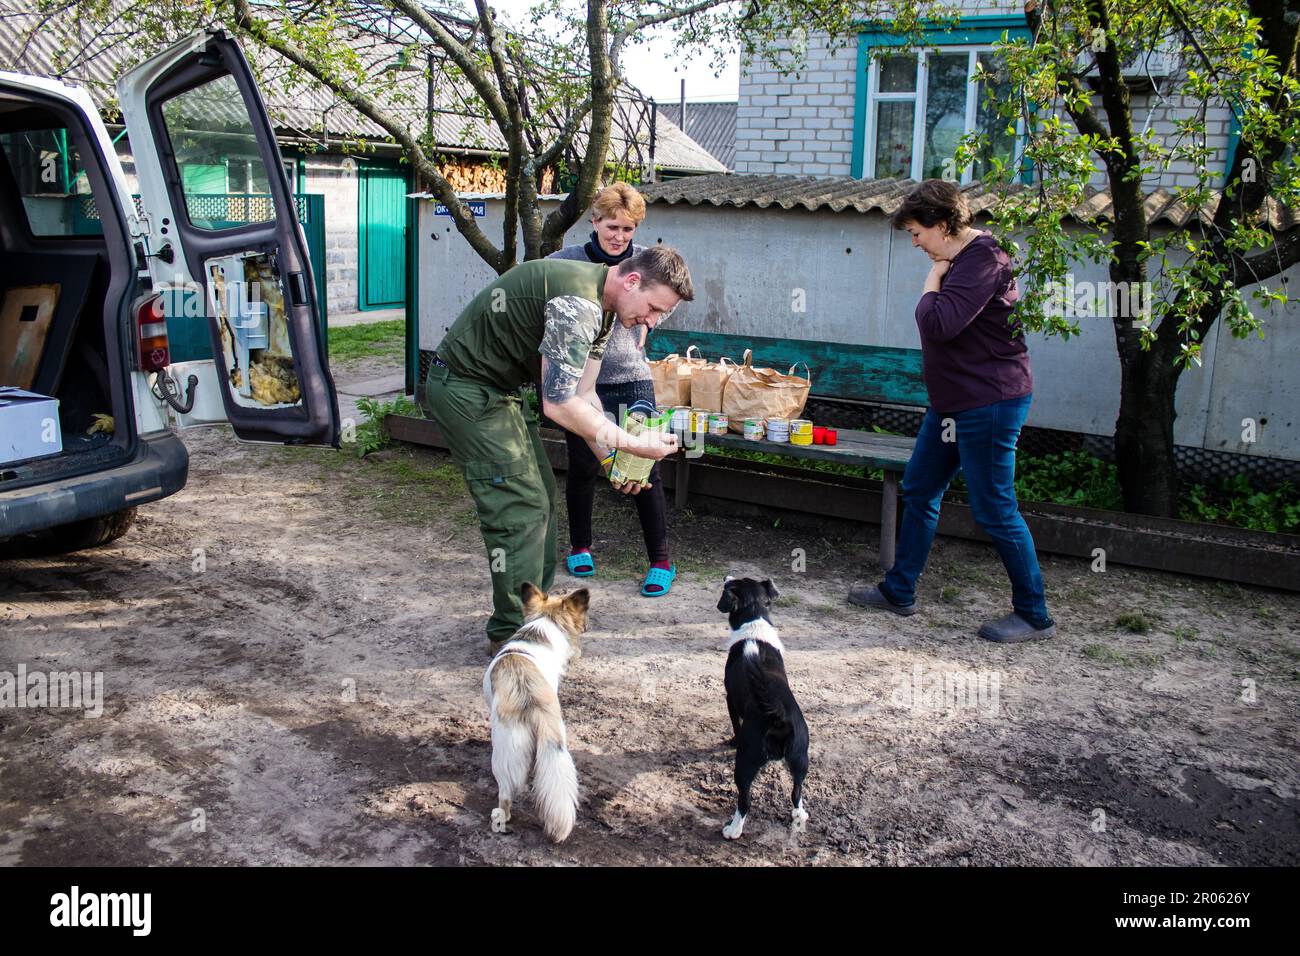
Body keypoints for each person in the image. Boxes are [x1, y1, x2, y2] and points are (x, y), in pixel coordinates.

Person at [425, 245, 694, 652]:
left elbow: (585, 394)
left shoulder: (603, 309)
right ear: (632, 280)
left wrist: (614, 462)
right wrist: (634, 442)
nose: (652, 322)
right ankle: (512, 638)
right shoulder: (579, 306)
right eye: (654, 308)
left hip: (496, 391)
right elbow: (558, 403)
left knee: (543, 498)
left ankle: (538, 616)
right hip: (466, 388)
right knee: (520, 505)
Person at [848, 179, 1056, 642]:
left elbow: (939, 324)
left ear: (943, 225)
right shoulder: (960, 258)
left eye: (918, 233)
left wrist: (931, 282)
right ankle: (899, 590)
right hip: (952, 405)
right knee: (921, 488)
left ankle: (1034, 614)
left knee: (995, 508)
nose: (916, 243)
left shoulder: (983, 259)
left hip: (990, 401)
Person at [548, 183, 676, 597]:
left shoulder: (644, 265)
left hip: (630, 378)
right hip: (580, 382)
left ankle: (660, 561)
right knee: (584, 464)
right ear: (595, 222)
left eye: (628, 228)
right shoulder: (565, 261)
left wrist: (645, 327)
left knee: (645, 465)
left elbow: (662, 304)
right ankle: (580, 545)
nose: (620, 236)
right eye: (613, 226)